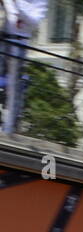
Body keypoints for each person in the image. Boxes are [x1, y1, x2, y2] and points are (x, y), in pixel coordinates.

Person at [1, 0, 47, 134]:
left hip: (19, 43)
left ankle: (8, 129)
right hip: (2, 38)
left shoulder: (40, 2)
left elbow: (33, 22)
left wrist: (17, 8)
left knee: (13, 87)